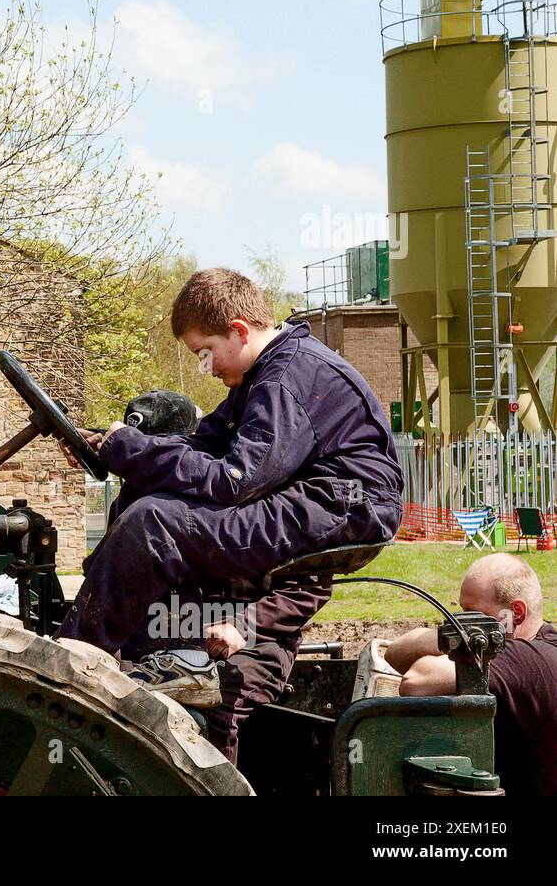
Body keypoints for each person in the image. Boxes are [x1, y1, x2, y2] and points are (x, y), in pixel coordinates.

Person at [56, 267, 404, 708]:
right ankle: (135, 650)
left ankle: (68, 669)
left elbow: (234, 480)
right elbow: (201, 444)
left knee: (154, 524)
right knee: (145, 500)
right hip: (320, 501)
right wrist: (110, 445)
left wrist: (134, 451)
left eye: (205, 353)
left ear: (239, 332)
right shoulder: (262, 374)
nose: (205, 368)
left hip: (343, 506)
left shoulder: (282, 380)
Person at [386, 552, 557, 796]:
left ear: (515, 614)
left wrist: (457, 639)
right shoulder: (545, 646)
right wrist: (456, 636)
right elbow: (394, 654)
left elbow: (416, 681)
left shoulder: (525, 660)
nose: (462, 623)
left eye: (473, 614)